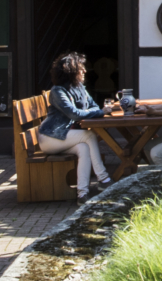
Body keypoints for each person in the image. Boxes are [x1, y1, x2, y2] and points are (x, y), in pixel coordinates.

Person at [37, 51, 112, 199]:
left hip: (65, 136)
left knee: (83, 148)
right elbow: (74, 114)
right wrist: (99, 112)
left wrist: (94, 111)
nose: (85, 70)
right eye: (81, 68)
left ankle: (82, 194)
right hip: (50, 137)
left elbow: (94, 106)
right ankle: (103, 179)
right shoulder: (58, 91)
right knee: (89, 135)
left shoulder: (80, 89)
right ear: (71, 71)